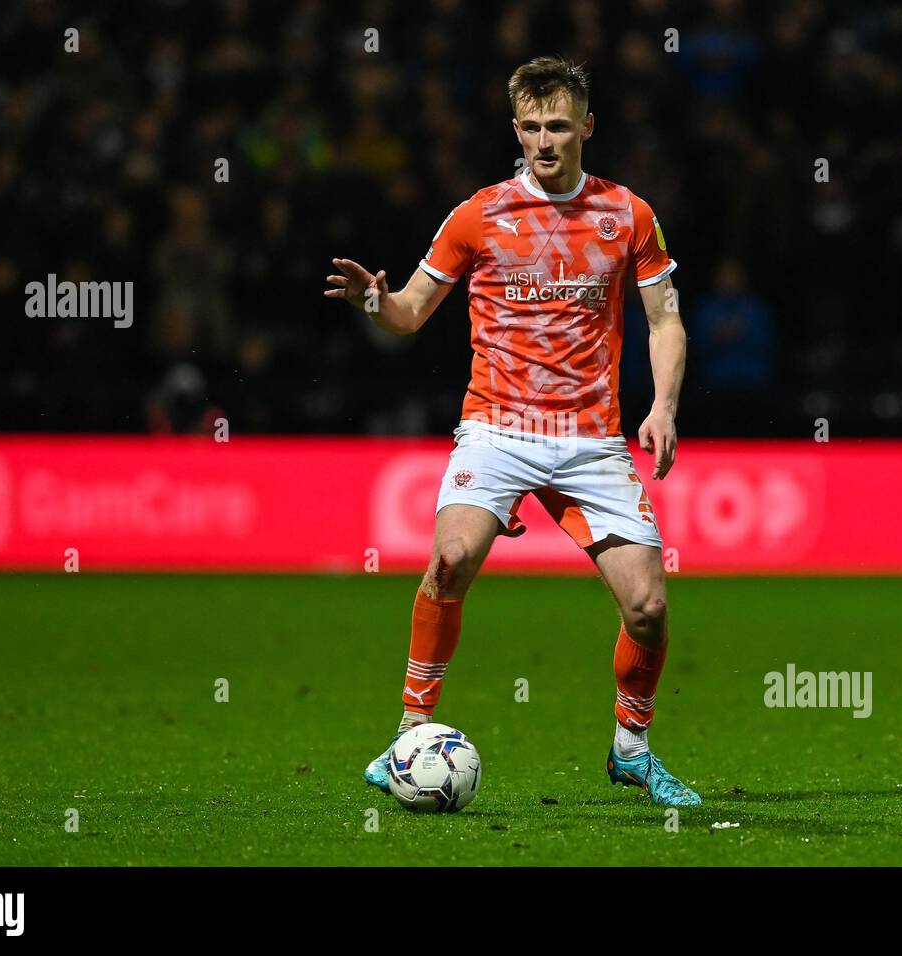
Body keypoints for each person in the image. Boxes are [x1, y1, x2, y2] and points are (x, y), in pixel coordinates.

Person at [324, 56, 697, 806]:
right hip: (498, 426)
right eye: (530, 127)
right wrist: (374, 301)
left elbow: (665, 318)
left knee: (649, 608)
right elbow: (407, 313)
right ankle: (409, 730)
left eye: (558, 126)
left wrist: (662, 408)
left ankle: (631, 746)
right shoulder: (478, 215)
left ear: (587, 126)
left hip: (592, 437)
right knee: (451, 560)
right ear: (515, 130)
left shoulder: (629, 214)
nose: (544, 142)